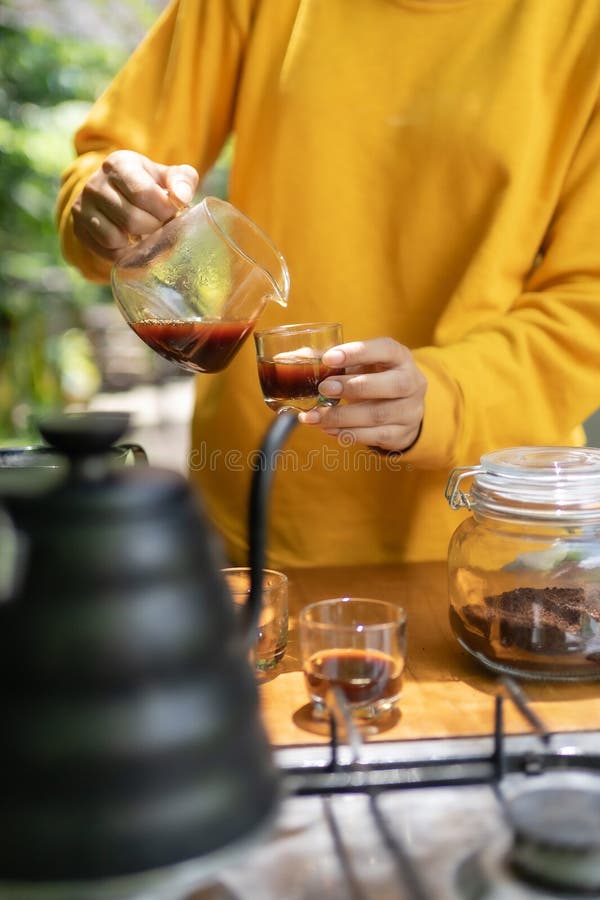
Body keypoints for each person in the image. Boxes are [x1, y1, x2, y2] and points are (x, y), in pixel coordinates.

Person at [57, 0, 600, 569]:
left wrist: (444, 396)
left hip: (497, 534)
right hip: (257, 520)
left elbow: (587, 304)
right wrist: (108, 206)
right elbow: (107, 162)